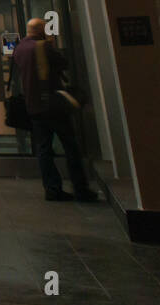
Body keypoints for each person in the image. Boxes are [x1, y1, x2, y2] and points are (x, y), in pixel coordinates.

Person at [9, 18, 98, 203]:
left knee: (43, 150)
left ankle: (52, 188)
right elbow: (63, 63)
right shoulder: (42, 47)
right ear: (41, 29)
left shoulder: (19, 49)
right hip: (53, 106)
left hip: (33, 107)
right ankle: (80, 187)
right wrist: (52, 43)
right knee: (71, 146)